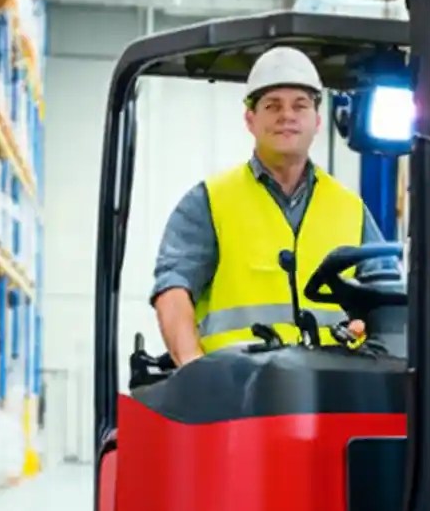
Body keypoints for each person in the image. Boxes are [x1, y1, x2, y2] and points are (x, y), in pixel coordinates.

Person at [150, 46, 395, 366]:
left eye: (300, 105)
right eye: (272, 105)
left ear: (317, 120)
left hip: (333, 389)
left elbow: (388, 298)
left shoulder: (350, 209)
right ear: (250, 119)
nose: (287, 115)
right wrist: (193, 368)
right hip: (236, 389)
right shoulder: (209, 202)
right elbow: (173, 290)